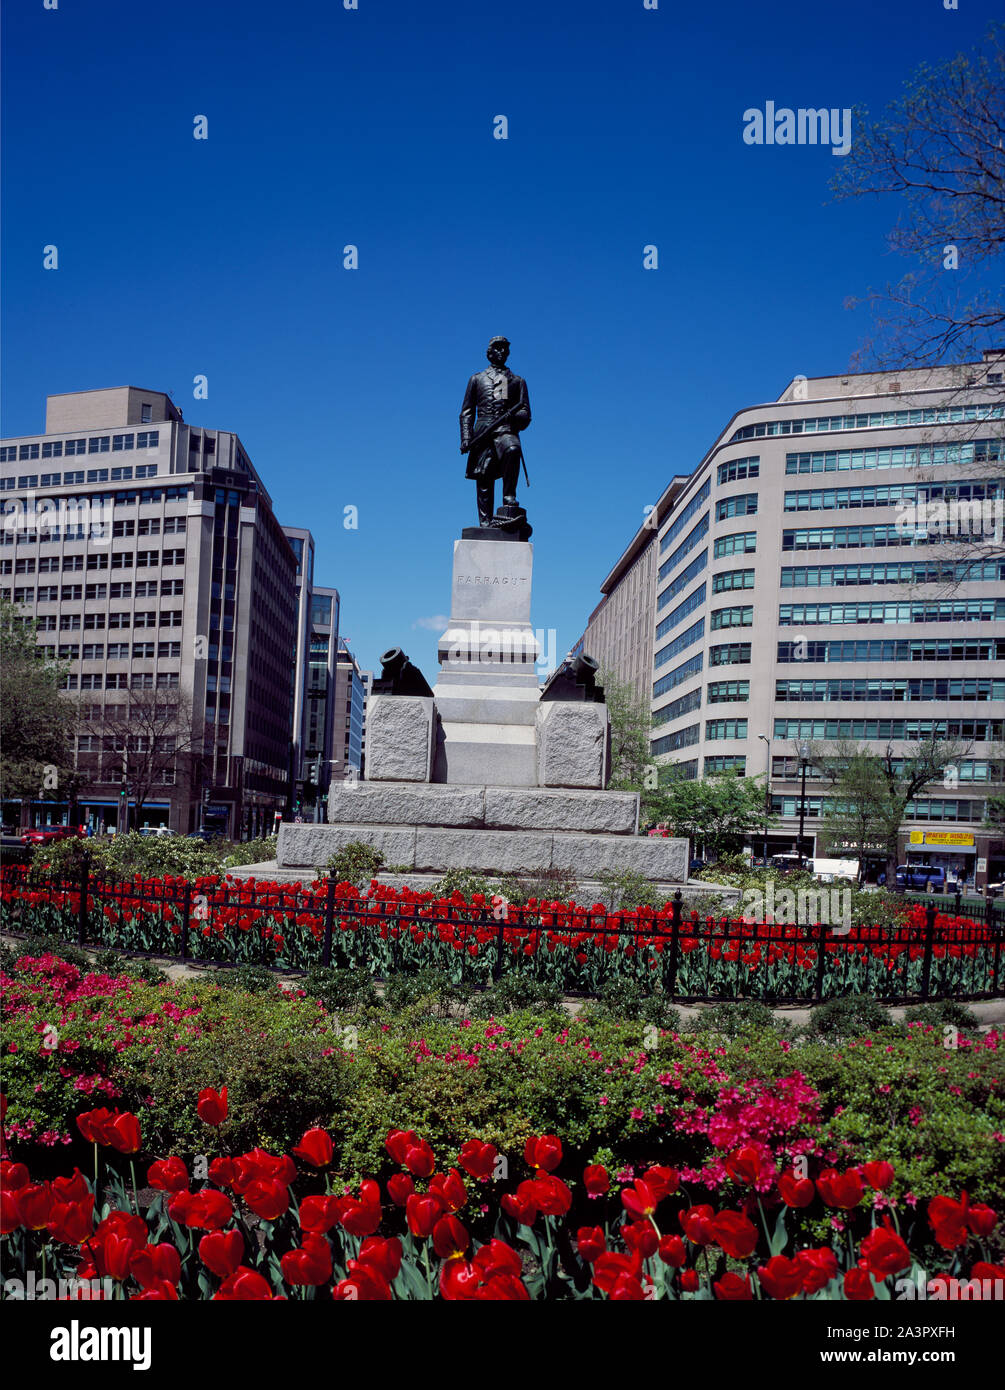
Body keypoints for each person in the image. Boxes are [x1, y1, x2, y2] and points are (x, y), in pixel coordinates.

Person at [459, 336, 531, 528]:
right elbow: (467, 412)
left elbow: (525, 414)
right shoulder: (477, 379)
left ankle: (509, 496)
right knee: (484, 476)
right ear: (489, 353)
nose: (501, 352)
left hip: (505, 429)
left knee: (513, 449)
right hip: (483, 430)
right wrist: (466, 437)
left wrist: (512, 417)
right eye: (497, 348)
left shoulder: (517, 381)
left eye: (504, 349)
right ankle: (485, 522)